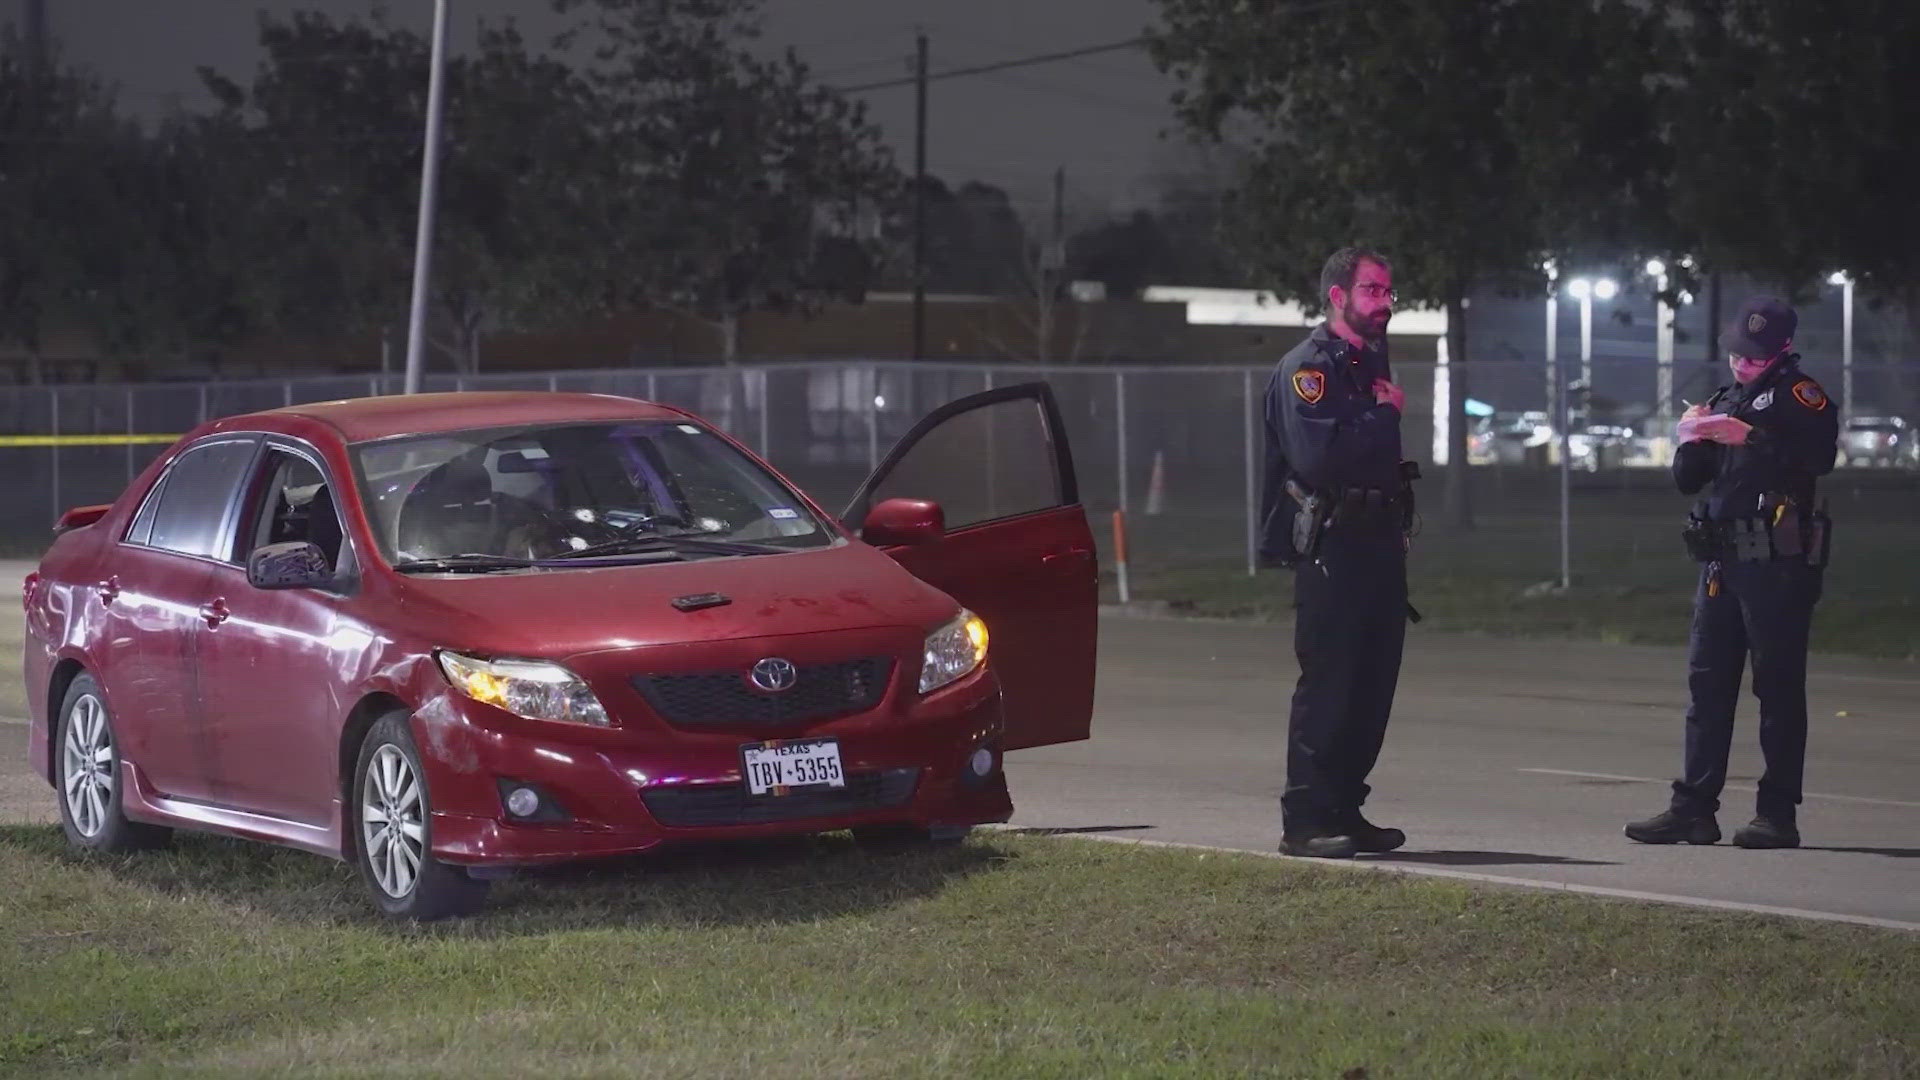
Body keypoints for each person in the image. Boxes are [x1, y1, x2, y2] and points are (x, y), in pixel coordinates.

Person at [1626, 297, 1839, 850]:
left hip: (1776, 564)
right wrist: (1692, 436)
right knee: (1708, 688)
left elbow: (1819, 458)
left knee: (1778, 691)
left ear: (1784, 349)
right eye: (1738, 354)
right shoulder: (1726, 399)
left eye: (1755, 357)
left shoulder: (1800, 397)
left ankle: (1777, 813)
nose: (1742, 364)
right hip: (1720, 563)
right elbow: (1687, 480)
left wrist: (1753, 437)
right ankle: (1692, 809)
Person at [1258, 246, 1417, 859]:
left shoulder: (1365, 363)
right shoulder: (1311, 370)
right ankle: (1305, 820)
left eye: (1388, 292)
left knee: (1372, 685)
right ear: (1338, 296)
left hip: (1377, 544)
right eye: (1373, 291)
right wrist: (1383, 413)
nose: (1385, 303)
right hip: (1332, 547)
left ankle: (1346, 810)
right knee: (1331, 683)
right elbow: (1319, 459)